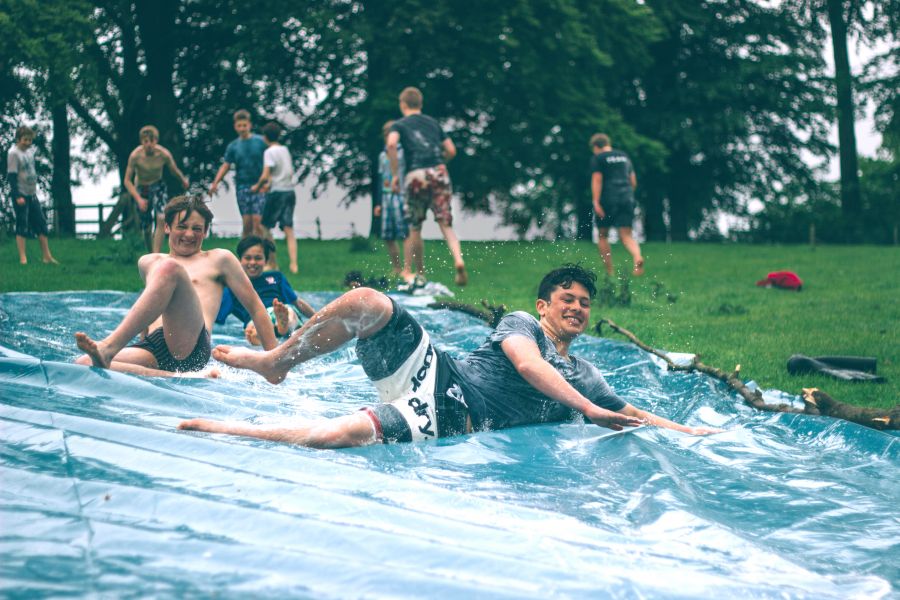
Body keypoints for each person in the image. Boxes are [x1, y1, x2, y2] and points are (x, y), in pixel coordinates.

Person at [180, 264, 721, 448]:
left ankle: (229, 429)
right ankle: (277, 360)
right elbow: (528, 365)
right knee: (368, 301)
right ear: (544, 305)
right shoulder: (522, 324)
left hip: (455, 415)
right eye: (567, 299)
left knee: (337, 436)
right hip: (439, 373)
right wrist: (589, 409)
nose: (577, 309)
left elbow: (631, 412)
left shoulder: (586, 374)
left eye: (584, 303)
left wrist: (689, 432)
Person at [74, 195, 278, 377]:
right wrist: (142, 340)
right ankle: (175, 375)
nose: (189, 234)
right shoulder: (148, 262)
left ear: (205, 231)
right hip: (153, 346)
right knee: (84, 363)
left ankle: (108, 347)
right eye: (182, 226)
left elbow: (256, 307)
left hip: (191, 345)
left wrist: (273, 361)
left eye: (197, 229)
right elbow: (152, 305)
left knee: (170, 268)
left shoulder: (219, 259)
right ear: (167, 227)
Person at [386, 86, 468, 287]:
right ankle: (458, 260)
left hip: (415, 174)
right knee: (446, 223)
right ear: (420, 104)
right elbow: (451, 150)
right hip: (438, 171)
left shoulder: (399, 124)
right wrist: (440, 164)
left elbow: (391, 144)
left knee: (415, 227)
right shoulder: (433, 123)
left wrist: (395, 175)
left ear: (403, 104)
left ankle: (419, 273)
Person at [216, 235, 315, 346]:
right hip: (255, 319)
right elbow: (216, 313)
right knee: (252, 327)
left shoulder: (276, 277)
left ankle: (279, 327)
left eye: (258, 258)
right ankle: (273, 331)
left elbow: (296, 301)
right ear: (240, 260)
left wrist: (316, 317)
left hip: (277, 311)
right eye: (248, 258)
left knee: (289, 313)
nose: (252, 262)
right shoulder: (233, 287)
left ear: (266, 260)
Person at [123, 125, 190, 253]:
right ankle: (151, 255)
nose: (149, 144)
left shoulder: (163, 154)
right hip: (141, 189)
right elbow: (127, 181)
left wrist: (183, 180)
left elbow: (174, 170)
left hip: (158, 186)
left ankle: (156, 253)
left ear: (156, 141)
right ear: (141, 142)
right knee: (147, 227)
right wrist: (138, 199)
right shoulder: (135, 156)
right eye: (145, 141)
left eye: (151, 141)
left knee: (161, 218)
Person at [590, 133, 644, 277]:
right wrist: (628, 195)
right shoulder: (624, 156)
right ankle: (637, 256)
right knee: (626, 235)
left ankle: (610, 272)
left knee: (602, 235)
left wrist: (596, 201)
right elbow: (633, 181)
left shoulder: (598, 158)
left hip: (608, 198)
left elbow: (597, 179)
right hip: (627, 197)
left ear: (596, 147)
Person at [209, 109, 268, 238]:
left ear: (249, 125)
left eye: (244, 125)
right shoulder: (233, 146)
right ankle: (245, 249)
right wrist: (215, 183)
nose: (242, 128)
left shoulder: (261, 141)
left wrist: (269, 181)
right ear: (235, 126)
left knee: (258, 222)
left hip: (260, 185)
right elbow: (226, 165)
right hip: (242, 186)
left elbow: (271, 162)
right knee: (247, 224)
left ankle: (263, 249)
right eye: (239, 126)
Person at [7, 125, 58, 265]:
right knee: (22, 225)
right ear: (18, 139)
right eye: (25, 140)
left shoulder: (29, 152)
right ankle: (23, 258)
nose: (28, 143)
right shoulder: (13, 154)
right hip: (21, 194)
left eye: (30, 140)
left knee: (41, 223)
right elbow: (11, 176)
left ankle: (47, 256)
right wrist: (17, 196)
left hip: (32, 194)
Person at [252, 121, 298, 273]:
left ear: (265, 137)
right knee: (289, 229)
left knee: (264, 227)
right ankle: (294, 265)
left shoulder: (269, 152)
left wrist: (257, 187)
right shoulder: (284, 150)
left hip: (277, 193)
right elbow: (287, 171)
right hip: (290, 191)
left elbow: (265, 175)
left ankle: (272, 263)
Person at [374, 120, 411, 278]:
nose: (386, 136)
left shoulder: (405, 153)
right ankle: (396, 267)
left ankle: (407, 268)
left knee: (405, 232)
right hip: (386, 196)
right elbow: (380, 178)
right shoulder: (382, 155)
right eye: (385, 133)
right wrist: (378, 202)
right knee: (388, 235)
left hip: (401, 195)